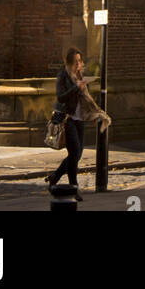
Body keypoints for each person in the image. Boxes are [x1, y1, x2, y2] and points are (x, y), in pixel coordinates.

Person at [46, 47, 87, 195]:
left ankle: (55, 177)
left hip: (80, 119)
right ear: (69, 63)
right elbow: (60, 96)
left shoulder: (80, 75)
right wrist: (76, 88)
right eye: (75, 61)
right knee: (74, 153)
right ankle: (73, 188)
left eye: (79, 61)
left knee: (77, 155)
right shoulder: (63, 75)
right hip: (67, 119)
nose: (78, 64)